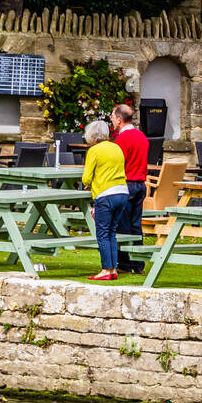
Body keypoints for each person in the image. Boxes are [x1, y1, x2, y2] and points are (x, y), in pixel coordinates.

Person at [80, 119, 129, 281]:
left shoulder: (94, 151)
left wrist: (90, 184)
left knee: (102, 233)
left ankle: (106, 270)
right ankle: (113, 268)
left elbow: (86, 178)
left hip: (105, 194)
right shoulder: (116, 148)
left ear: (91, 136)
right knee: (112, 232)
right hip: (122, 192)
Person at [110, 103, 150, 274]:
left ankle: (125, 264)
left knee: (123, 225)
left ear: (119, 120)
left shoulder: (122, 139)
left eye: (112, 116)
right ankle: (138, 264)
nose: (111, 119)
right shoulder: (142, 136)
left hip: (127, 183)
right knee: (136, 225)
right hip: (141, 184)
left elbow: (119, 163)